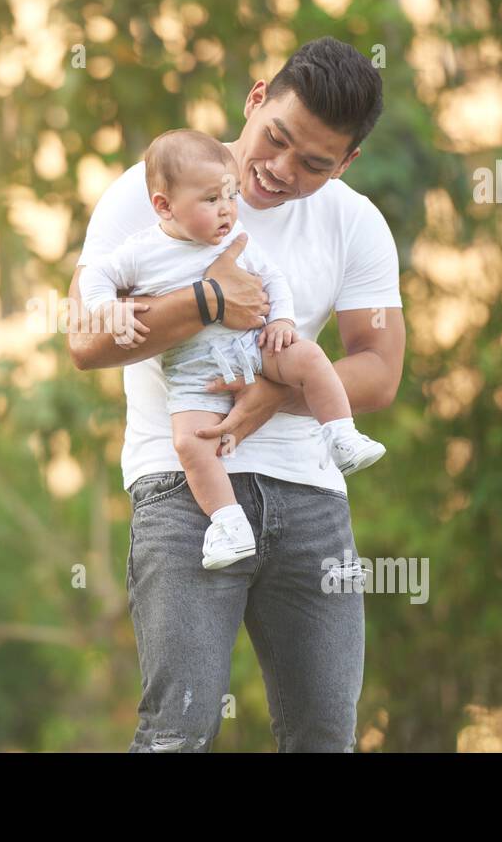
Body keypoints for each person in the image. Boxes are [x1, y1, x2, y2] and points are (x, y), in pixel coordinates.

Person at [67, 37, 405, 752]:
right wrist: (210, 299)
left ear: (345, 164)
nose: (280, 171)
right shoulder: (149, 191)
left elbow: (379, 366)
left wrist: (272, 397)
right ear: (255, 100)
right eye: (275, 139)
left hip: (312, 498)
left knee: (324, 736)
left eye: (314, 164)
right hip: (181, 486)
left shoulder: (354, 221)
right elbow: (85, 342)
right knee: (178, 732)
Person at [78, 128, 386, 571]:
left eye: (230, 196)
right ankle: (228, 523)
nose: (227, 210)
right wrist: (108, 309)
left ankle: (340, 434)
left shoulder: (235, 240)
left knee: (310, 358)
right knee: (188, 443)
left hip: (255, 346)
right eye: (211, 200)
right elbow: (94, 278)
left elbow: (273, 278)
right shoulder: (142, 252)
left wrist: (281, 320)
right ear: (165, 206)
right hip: (194, 371)